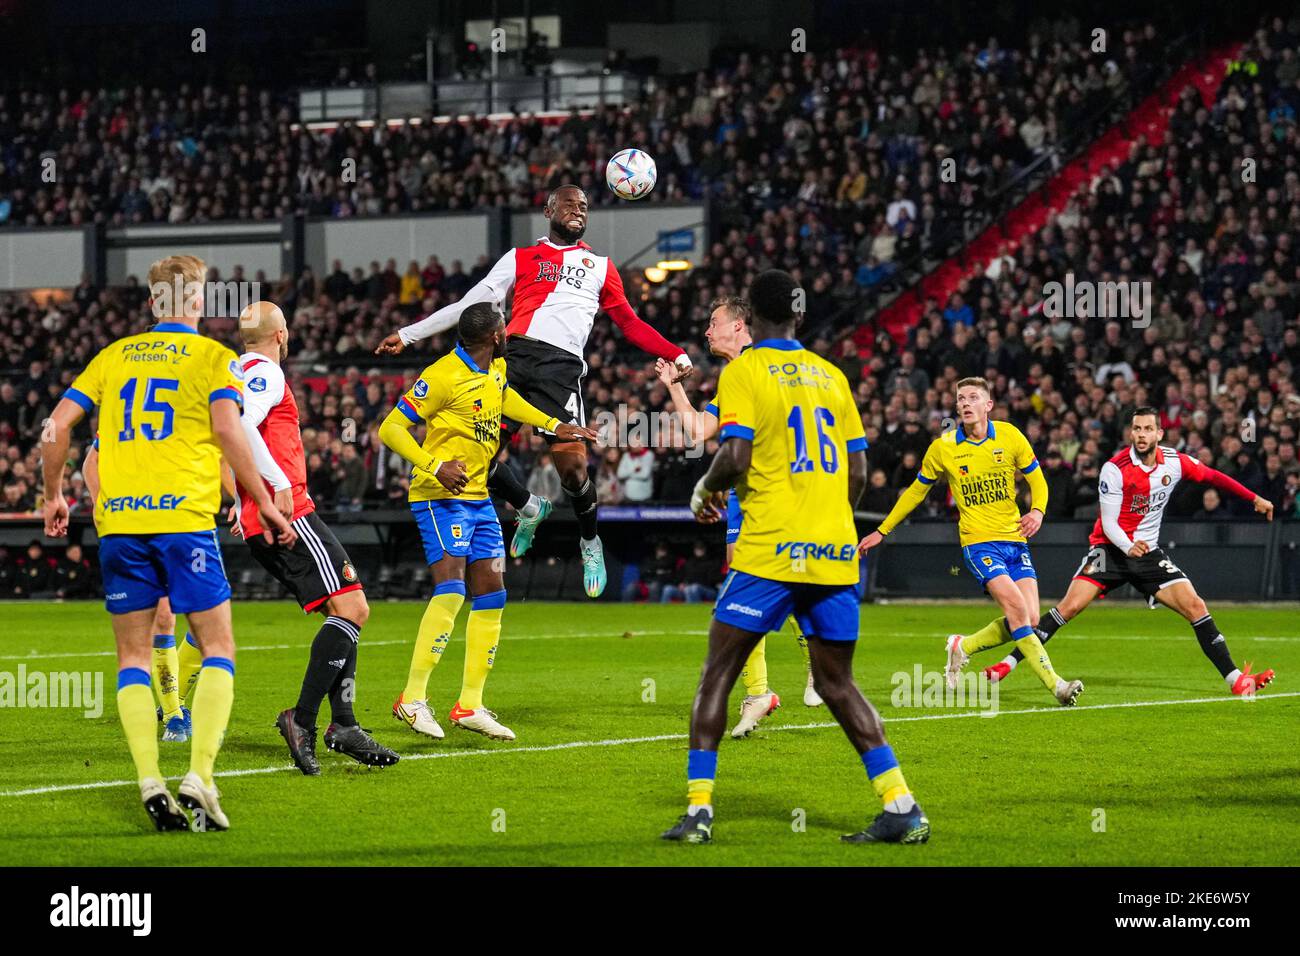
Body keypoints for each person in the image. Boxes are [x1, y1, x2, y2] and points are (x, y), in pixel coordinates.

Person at [662, 269, 929, 846]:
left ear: (750, 317)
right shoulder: (832, 374)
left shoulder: (745, 370)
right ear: (799, 316)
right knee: (839, 685)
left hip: (768, 551)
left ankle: (699, 813)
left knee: (718, 676)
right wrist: (827, 520)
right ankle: (901, 805)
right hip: (833, 552)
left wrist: (705, 492)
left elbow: (733, 453)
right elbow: (857, 471)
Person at [41, 254, 295, 832]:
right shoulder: (214, 358)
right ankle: (200, 777)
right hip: (184, 522)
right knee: (218, 649)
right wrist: (257, 500)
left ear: (153, 302)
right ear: (199, 303)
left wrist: (53, 495)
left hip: (121, 527)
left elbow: (56, 427)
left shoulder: (113, 356)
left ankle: (150, 780)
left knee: (131, 658)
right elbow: (231, 430)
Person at [376, 184, 693, 598]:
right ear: (548, 210)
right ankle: (528, 507)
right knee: (476, 461)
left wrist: (676, 352)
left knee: (574, 469)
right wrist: (409, 333)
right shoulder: (520, 258)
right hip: (512, 361)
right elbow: (470, 307)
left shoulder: (600, 266)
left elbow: (630, 323)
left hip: (561, 370)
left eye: (584, 205)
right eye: (569, 203)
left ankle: (589, 541)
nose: (578, 210)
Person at [381, 302, 596, 741]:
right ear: (497, 336)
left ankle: (469, 705)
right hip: (441, 498)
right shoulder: (441, 375)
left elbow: (507, 400)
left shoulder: (496, 369)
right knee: (451, 590)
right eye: (505, 328)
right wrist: (432, 463)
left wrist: (557, 425)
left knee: (493, 595)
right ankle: (412, 698)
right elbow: (390, 429)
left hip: (478, 498)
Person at [986, 407, 1276, 696]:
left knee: (1196, 606)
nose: (1141, 435)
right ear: (1131, 432)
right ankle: (1008, 664)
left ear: (1159, 434)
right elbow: (1109, 523)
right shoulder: (1114, 469)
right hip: (1109, 550)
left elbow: (1213, 477)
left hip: (1148, 554)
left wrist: (1254, 498)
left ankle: (1236, 681)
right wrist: (1127, 546)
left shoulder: (1174, 462)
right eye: (1137, 429)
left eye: (1148, 429)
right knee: (1068, 608)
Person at [226, 301, 398, 775]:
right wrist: (276, 487)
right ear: (281, 336)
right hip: (289, 511)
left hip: (263, 515)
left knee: (342, 613)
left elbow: (224, 440)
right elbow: (240, 425)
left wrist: (238, 500)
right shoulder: (264, 373)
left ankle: (343, 722)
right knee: (356, 608)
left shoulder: (232, 374)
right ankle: (303, 720)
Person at [860, 377, 1084, 707]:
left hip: (1015, 540)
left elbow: (1039, 480)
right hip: (978, 544)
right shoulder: (944, 448)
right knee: (1018, 610)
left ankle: (962, 647)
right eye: (960, 398)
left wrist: (1037, 511)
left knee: (1031, 618)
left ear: (988, 405)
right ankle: (1057, 685)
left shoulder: (1009, 436)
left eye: (973, 397)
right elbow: (916, 492)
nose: (964, 403)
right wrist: (883, 530)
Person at [656, 294, 822, 732]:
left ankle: (815, 664)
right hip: (743, 500)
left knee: (779, 586)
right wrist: (674, 386)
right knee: (743, 591)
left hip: (778, 495)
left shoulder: (764, 367)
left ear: (739, 326)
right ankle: (758, 692)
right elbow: (697, 431)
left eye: (715, 322)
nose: (708, 331)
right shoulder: (734, 374)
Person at [85, 438, 198, 742]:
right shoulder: (126, 415)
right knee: (163, 620)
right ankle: (175, 716)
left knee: (206, 626)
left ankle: (173, 703)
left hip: (184, 526)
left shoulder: (189, 415)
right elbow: (90, 463)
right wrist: (101, 506)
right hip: (139, 531)